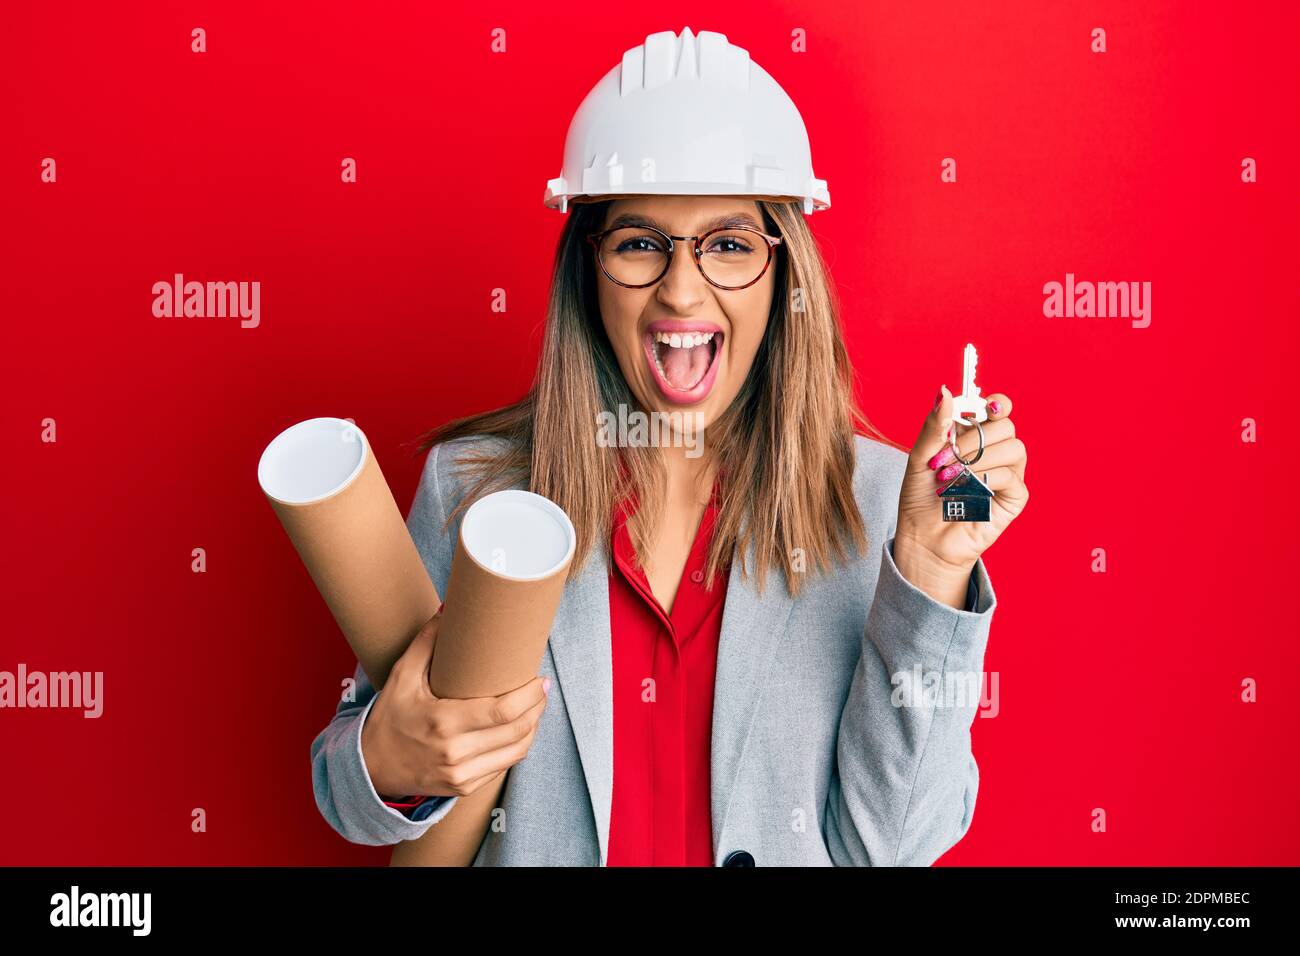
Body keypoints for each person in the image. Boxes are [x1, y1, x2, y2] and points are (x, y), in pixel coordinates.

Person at [311, 26, 1028, 866]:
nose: (681, 289)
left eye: (728, 244)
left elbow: (892, 844)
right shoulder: (478, 490)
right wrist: (391, 764)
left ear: (783, 274)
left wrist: (934, 571)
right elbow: (353, 792)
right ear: (589, 268)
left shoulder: (877, 508)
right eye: (639, 243)